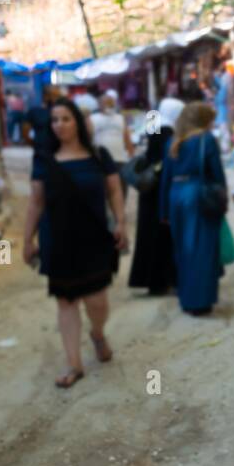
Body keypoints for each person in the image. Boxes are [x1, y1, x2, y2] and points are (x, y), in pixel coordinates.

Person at [23, 97, 127, 388]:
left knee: (97, 299)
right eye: (54, 120)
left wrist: (120, 221)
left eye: (65, 119)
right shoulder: (44, 160)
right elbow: (35, 202)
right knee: (66, 301)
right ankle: (74, 363)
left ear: (78, 123)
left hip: (93, 236)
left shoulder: (98, 156)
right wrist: (26, 240)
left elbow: (114, 190)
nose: (59, 125)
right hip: (57, 238)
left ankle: (97, 333)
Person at [161, 102, 226, 315]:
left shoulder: (173, 142)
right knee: (202, 248)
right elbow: (217, 173)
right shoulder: (206, 140)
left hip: (176, 195)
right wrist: (222, 199)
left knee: (182, 249)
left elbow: (165, 178)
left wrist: (163, 210)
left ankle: (187, 299)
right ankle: (200, 301)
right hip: (198, 195)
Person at [128, 97, 180, 295]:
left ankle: (153, 280)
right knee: (162, 234)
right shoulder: (168, 131)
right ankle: (163, 279)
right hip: (160, 187)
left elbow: (148, 148)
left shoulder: (154, 122)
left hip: (150, 187)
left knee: (149, 233)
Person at [91, 89, 133, 164]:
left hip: (120, 159)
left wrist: (131, 155)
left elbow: (127, 138)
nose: (108, 105)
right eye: (105, 103)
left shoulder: (120, 118)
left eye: (110, 103)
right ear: (99, 104)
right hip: (100, 161)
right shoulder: (92, 119)